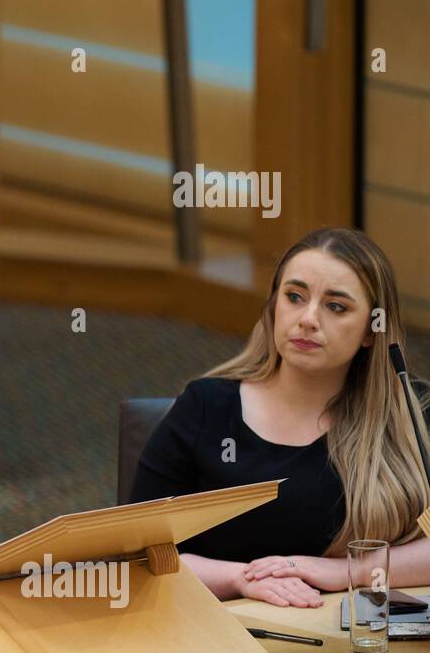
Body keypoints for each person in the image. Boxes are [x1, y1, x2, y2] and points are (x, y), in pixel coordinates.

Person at [131, 227, 430, 606]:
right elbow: (137, 554)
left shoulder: (412, 412)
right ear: (274, 307)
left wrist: (344, 571)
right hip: (220, 632)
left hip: (354, 641)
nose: (308, 318)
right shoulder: (205, 408)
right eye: (294, 297)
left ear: (372, 330)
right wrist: (239, 578)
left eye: (335, 306)